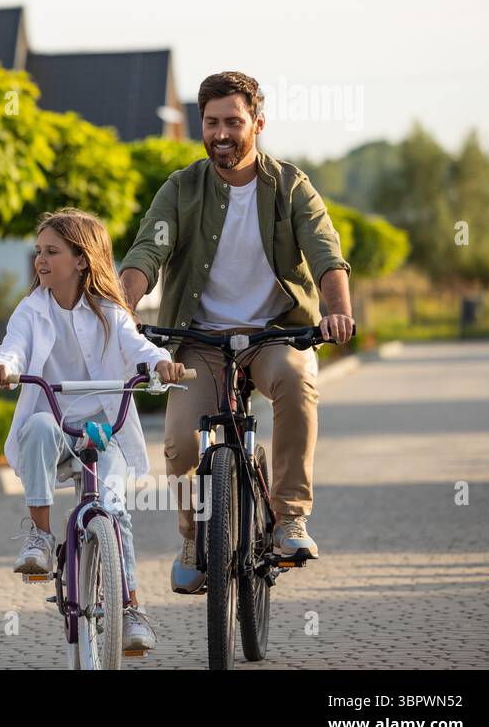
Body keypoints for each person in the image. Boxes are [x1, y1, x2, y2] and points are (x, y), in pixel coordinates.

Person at [119, 70, 354, 594]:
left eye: (233, 122)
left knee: (298, 385)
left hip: (275, 336)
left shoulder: (291, 186)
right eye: (211, 123)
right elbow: (147, 251)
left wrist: (336, 310)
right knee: (181, 443)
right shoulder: (181, 189)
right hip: (200, 340)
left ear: (258, 123)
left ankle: (289, 517)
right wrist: (123, 304)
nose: (221, 133)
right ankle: (192, 538)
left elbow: (324, 252)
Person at [0, 208, 185, 651]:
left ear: (81, 259)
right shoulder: (32, 310)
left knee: (114, 512)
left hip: (100, 434)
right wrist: (0, 366)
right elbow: (12, 349)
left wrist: (159, 364)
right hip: (55, 431)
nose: (40, 260)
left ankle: (130, 608)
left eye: (52, 251)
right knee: (35, 426)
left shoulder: (111, 312)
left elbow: (138, 346)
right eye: (38, 252)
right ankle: (39, 534)